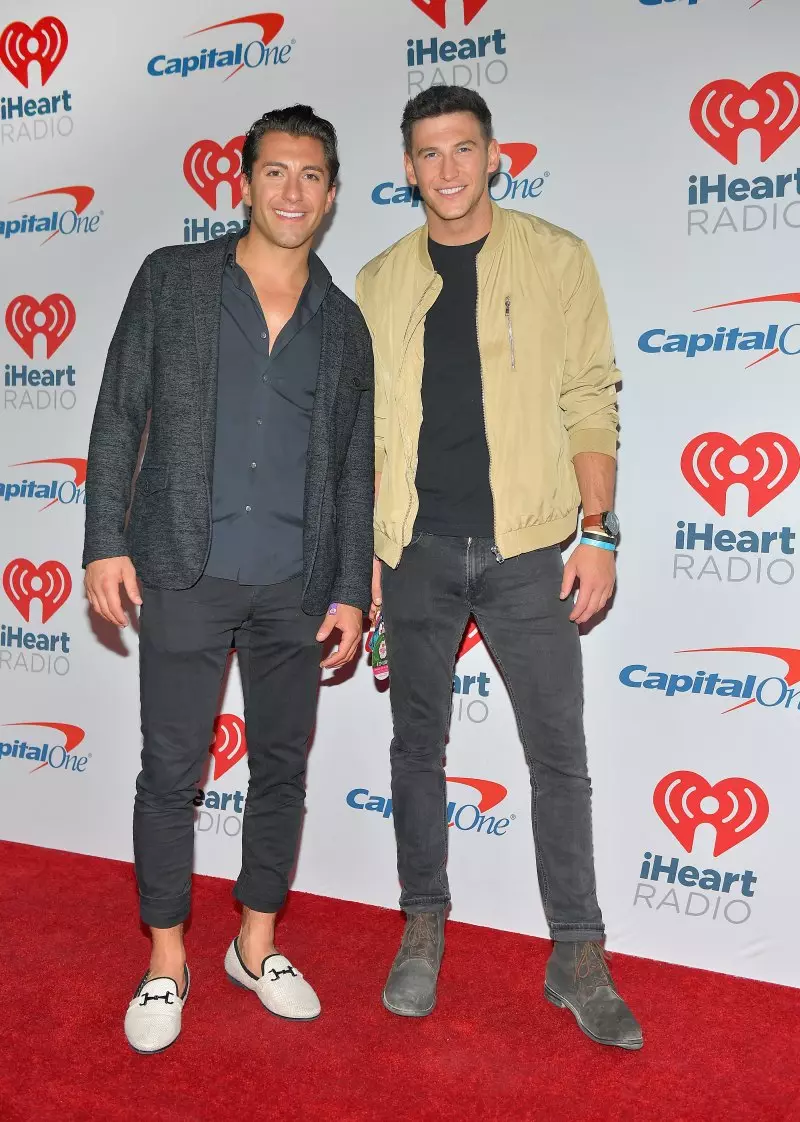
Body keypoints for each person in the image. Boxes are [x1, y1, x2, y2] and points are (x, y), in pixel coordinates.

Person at [356, 86, 642, 1050]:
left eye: (463, 150)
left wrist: (597, 531)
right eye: (428, 154)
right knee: (415, 752)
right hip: (417, 552)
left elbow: (590, 397)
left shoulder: (557, 257)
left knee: (559, 757)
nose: (446, 170)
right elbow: (368, 436)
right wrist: (371, 559)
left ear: (493, 156)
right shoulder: (379, 279)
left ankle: (576, 951)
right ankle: (423, 926)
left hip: (529, 551)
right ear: (407, 167)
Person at [83, 105, 373, 1053]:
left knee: (281, 771)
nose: (293, 191)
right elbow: (121, 410)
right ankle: (168, 959)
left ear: (332, 194)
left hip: (295, 585)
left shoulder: (346, 325)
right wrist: (103, 541)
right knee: (171, 771)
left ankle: (256, 943)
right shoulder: (173, 281)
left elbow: (353, 467)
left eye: (312, 175)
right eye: (276, 172)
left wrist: (350, 590)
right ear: (242, 181)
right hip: (180, 569)